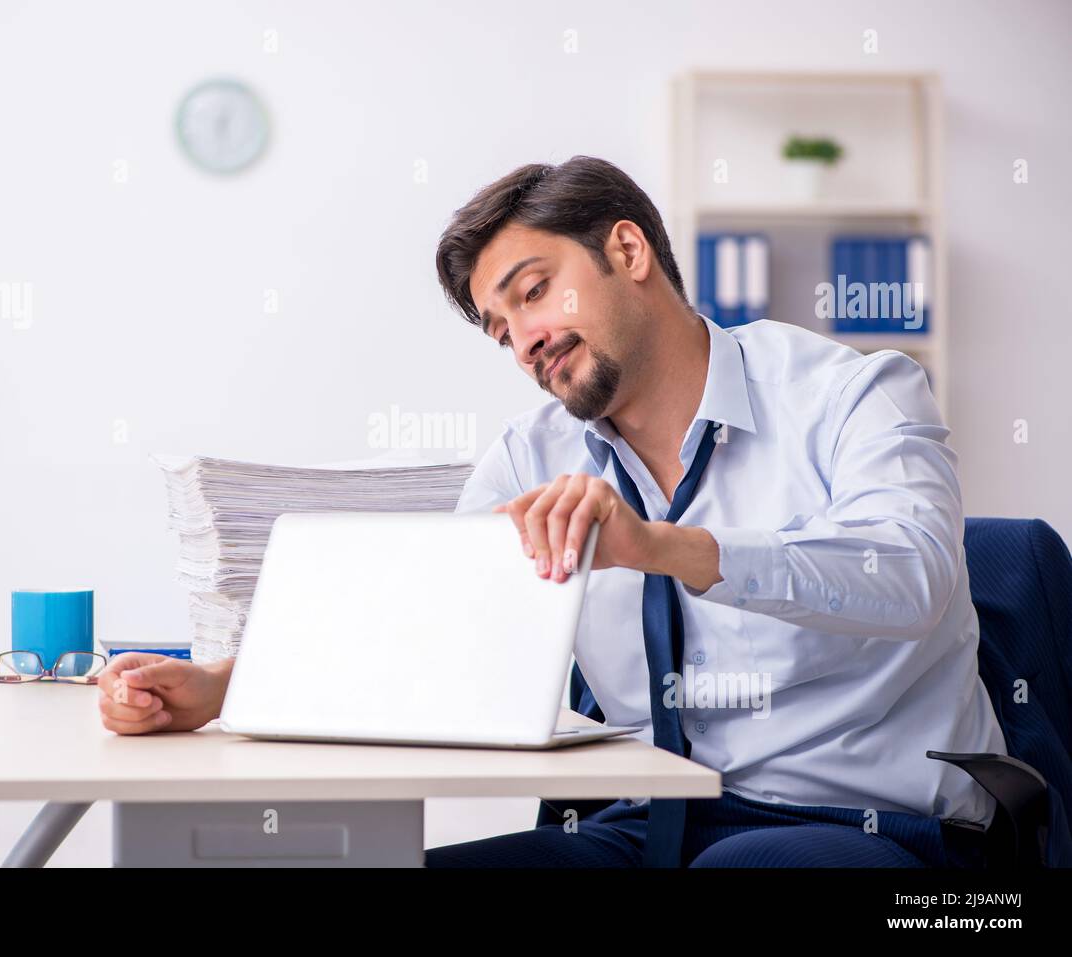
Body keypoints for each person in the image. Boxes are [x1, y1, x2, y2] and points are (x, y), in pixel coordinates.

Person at [96, 156, 1004, 868]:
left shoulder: (857, 393)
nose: (524, 339)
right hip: (651, 827)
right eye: (500, 327)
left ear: (628, 251)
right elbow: (419, 624)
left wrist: (662, 547)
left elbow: (911, 574)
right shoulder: (531, 457)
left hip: (871, 827)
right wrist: (222, 686)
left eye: (534, 291)